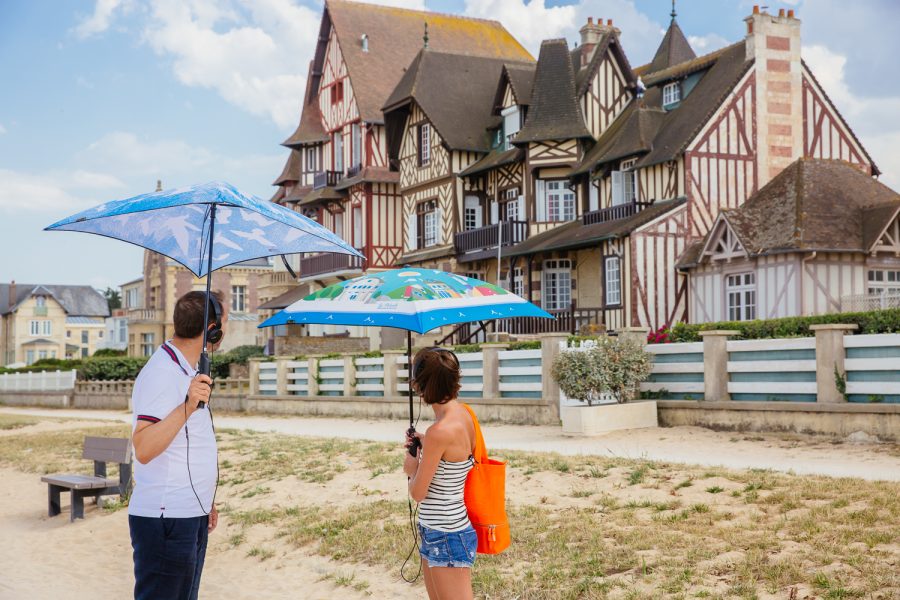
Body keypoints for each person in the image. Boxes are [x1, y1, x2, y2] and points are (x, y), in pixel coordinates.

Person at [128, 291, 223, 600]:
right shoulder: (162, 373)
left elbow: (188, 444)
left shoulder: (187, 370)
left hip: (189, 511)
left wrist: (204, 500)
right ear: (212, 331)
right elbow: (143, 448)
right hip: (166, 518)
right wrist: (187, 406)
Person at [404, 347, 477, 600]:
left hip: (445, 533)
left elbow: (418, 493)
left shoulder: (438, 432)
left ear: (421, 386)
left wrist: (411, 470)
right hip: (442, 529)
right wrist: (426, 444)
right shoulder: (464, 414)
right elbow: (456, 455)